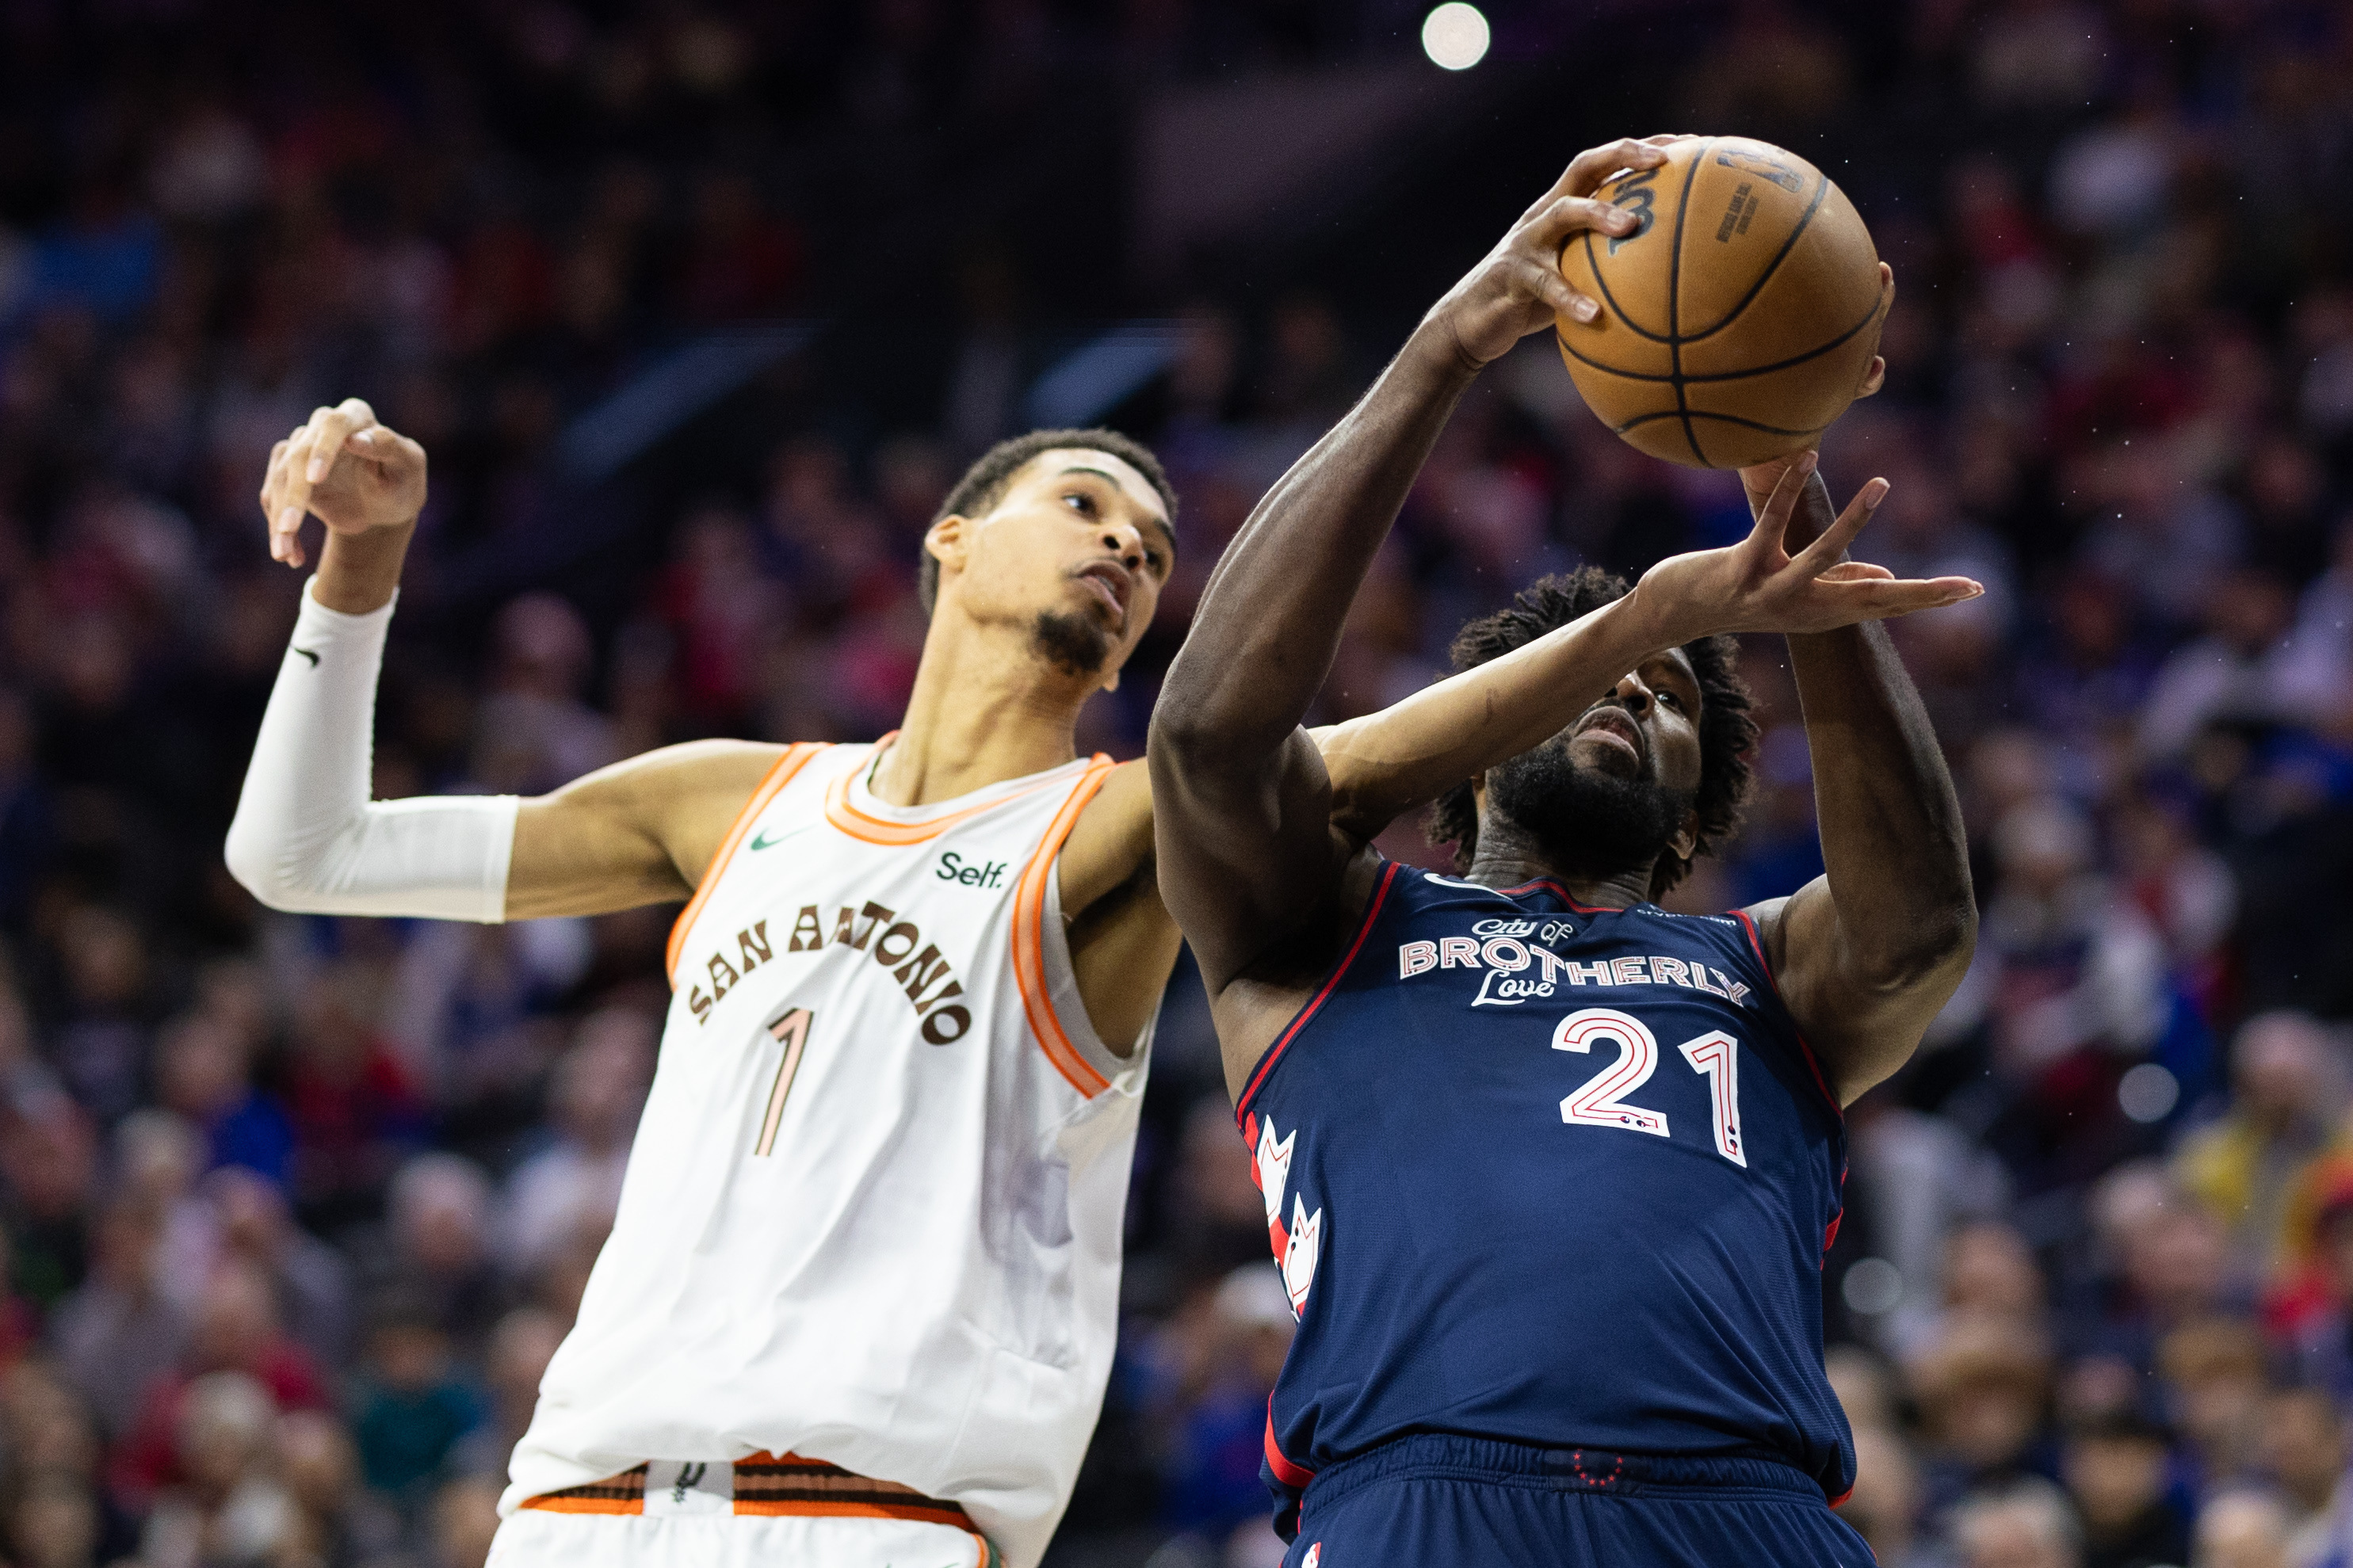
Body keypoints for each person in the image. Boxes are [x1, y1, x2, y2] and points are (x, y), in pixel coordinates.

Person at [222, 369, 1704, 1566]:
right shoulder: (730, 797)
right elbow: (304, 854)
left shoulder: (1108, 820)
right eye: (1084, 506)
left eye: (1150, 550)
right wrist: (363, 566)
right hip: (576, 1511)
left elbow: (1353, 764)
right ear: (952, 539)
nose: (1125, 546)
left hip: (878, 1522)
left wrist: (1641, 623)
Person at [1148, 135, 1982, 1566]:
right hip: (1419, 1501)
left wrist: (1790, 503)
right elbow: (1209, 742)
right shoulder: (1319, 929)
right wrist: (1443, 350)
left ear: (1694, 810)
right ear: (1471, 758)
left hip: (1747, 1512)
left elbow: (1914, 932)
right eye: (1604, 674)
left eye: (1666, 706)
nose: (1634, 693)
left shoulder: (1764, 967)